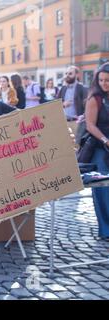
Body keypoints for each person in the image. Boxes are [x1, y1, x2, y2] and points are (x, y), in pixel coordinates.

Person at [84, 62, 109, 240]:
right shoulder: (95, 99)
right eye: (101, 80)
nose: (104, 83)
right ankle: (106, 229)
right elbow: (90, 125)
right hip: (100, 148)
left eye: (107, 80)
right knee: (102, 188)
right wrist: (105, 140)